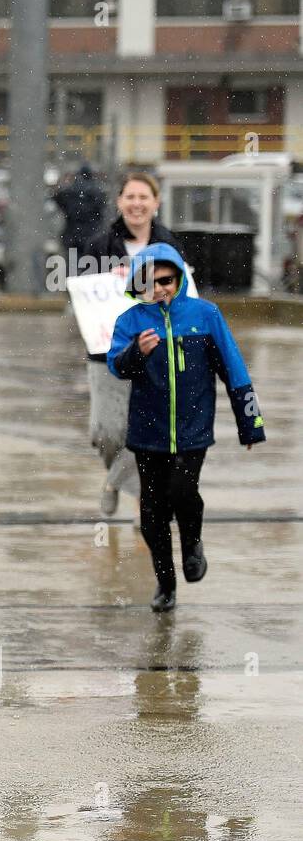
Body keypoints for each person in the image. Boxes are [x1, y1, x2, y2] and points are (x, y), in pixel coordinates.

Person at [107, 243, 265, 612]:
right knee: (152, 511)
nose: (160, 288)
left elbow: (234, 369)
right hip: (148, 431)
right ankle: (165, 582)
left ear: (179, 278)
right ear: (139, 285)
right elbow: (117, 366)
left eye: (167, 279)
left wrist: (251, 423)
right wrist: (136, 353)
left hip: (193, 429)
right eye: (151, 282)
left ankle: (192, 541)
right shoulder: (130, 321)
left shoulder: (205, 315)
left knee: (182, 491)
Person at [84, 171, 185, 515]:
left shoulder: (170, 246)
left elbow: (181, 294)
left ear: (156, 203)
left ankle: (134, 494)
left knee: (147, 429)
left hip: (156, 349)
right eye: (130, 197)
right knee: (106, 430)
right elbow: (82, 297)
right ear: (119, 202)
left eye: (144, 197)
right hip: (106, 352)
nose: (137, 204)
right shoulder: (99, 246)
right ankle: (118, 477)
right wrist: (105, 278)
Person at [53, 162, 106, 260]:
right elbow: (102, 208)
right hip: (91, 233)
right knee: (91, 267)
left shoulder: (70, 190)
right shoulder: (97, 190)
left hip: (72, 234)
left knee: (73, 266)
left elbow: (58, 199)